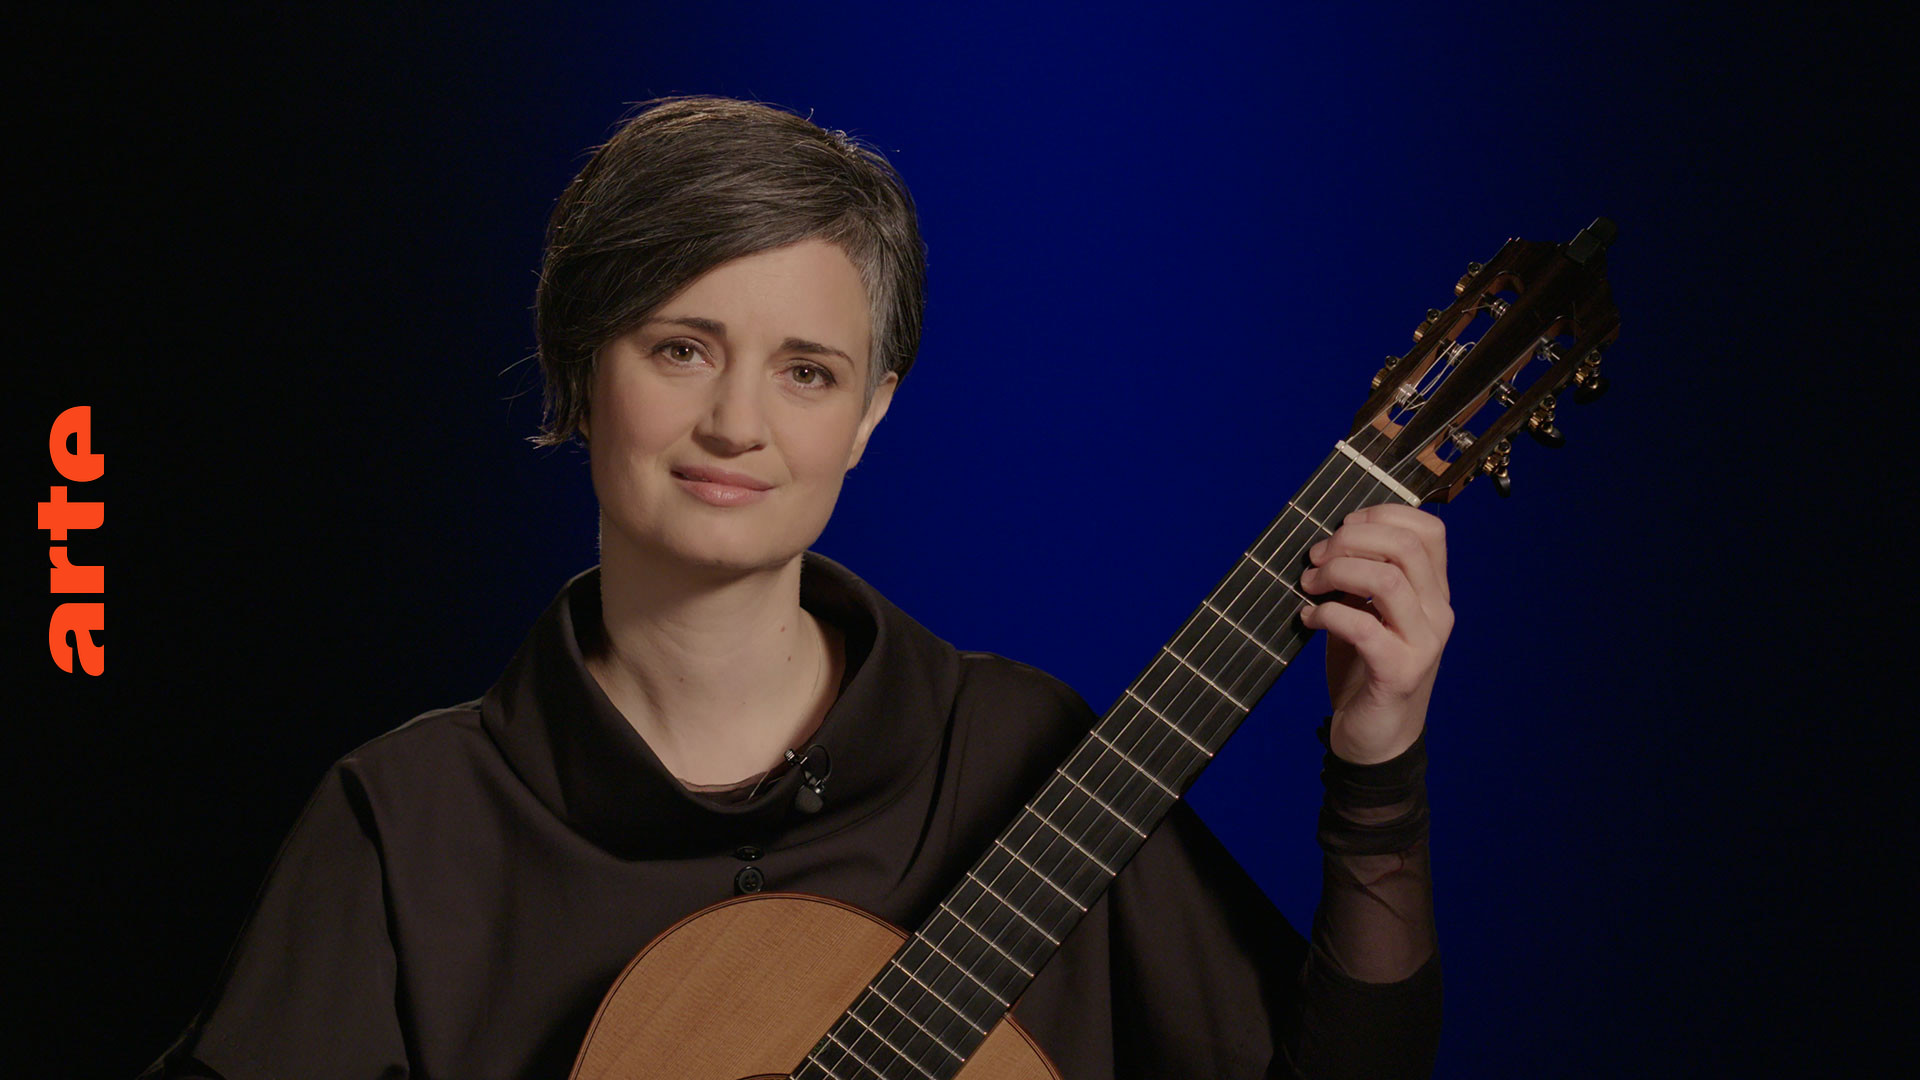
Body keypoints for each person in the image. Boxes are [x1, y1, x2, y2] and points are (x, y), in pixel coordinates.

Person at [142, 95, 1448, 1079]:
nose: (736, 423)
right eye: (681, 347)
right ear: (584, 367)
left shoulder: (1027, 758)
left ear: (873, 411)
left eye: (807, 370)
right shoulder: (406, 826)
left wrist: (1375, 774)